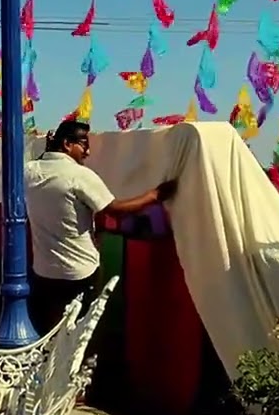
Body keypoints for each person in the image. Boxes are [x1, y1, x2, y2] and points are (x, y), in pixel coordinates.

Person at [23, 119, 173, 332]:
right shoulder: (78, 175)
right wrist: (154, 195)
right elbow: (114, 209)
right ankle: (79, 364)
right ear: (67, 144)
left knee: (50, 331)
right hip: (79, 272)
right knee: (81, 333)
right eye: (84, 144)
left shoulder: (29, 171)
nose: (88, 151)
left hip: (44, 271)